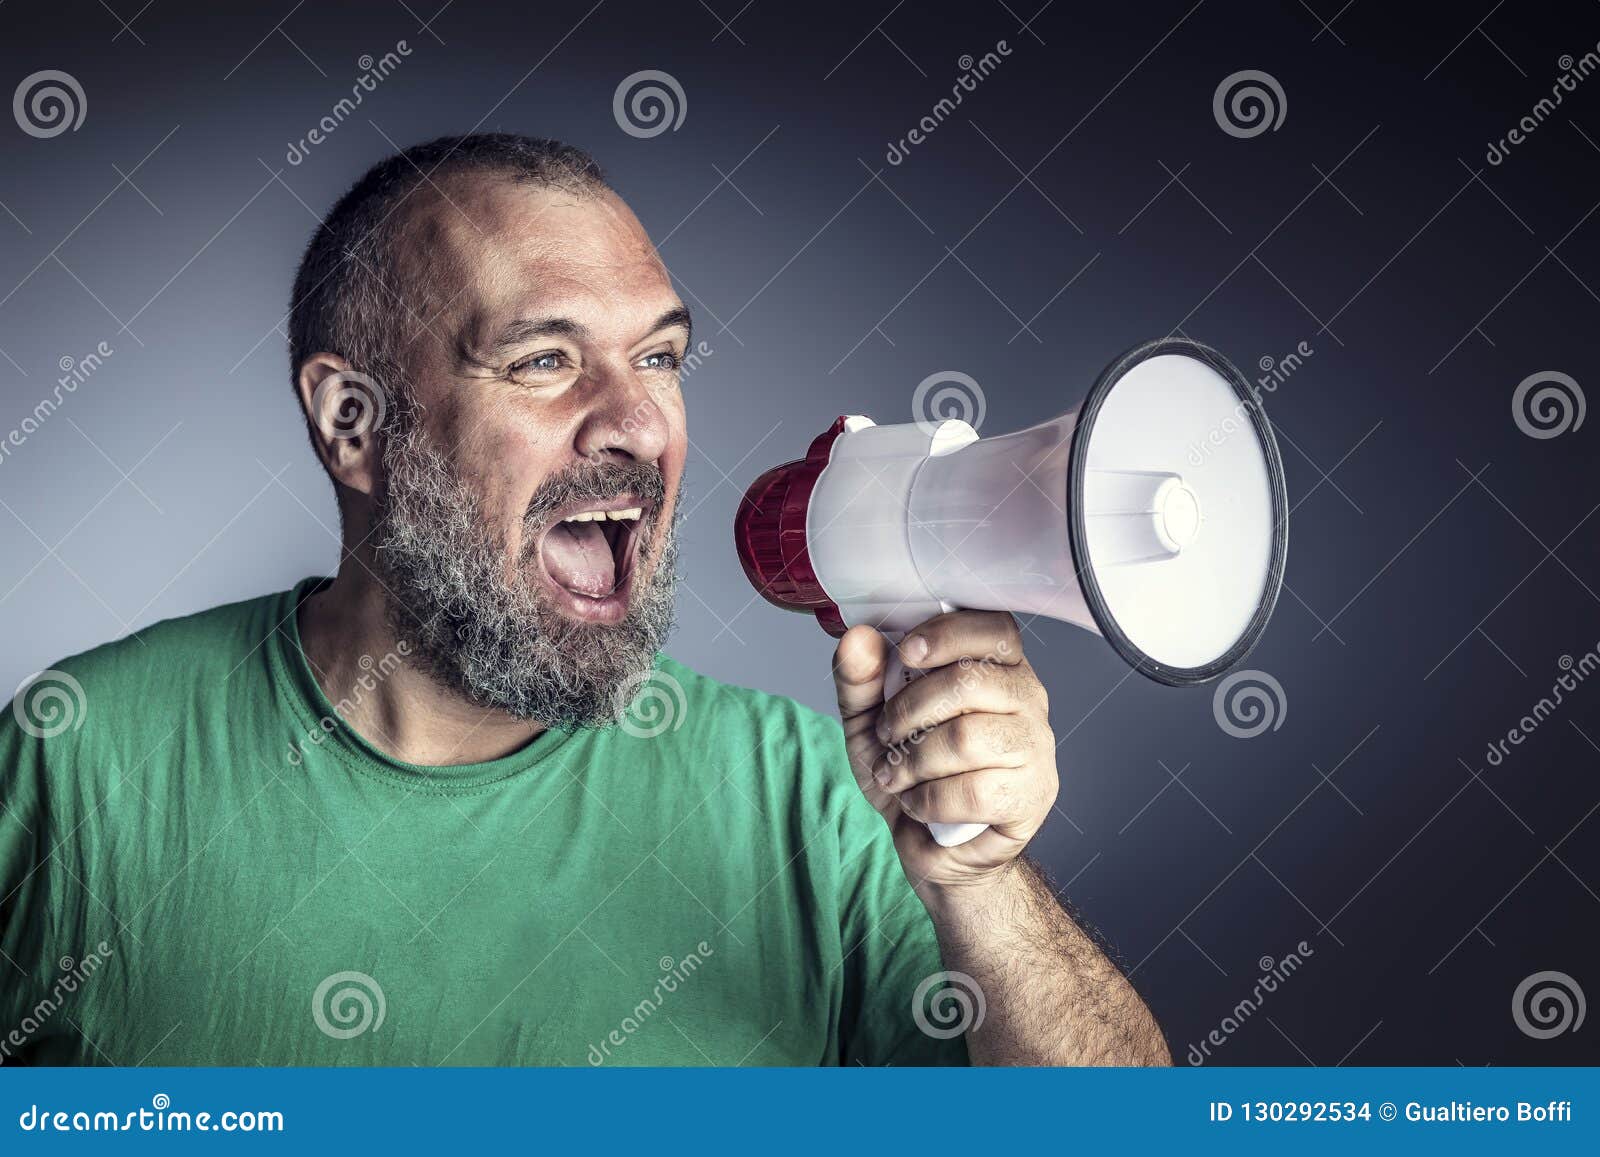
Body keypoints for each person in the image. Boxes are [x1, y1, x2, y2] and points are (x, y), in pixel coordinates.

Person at [0, 134, 1168, 1066]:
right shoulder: (84, 758)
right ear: (351, 422)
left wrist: (981, 887)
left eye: (659, 357)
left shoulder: (814, 799)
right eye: (545, 359)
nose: (639, 423)